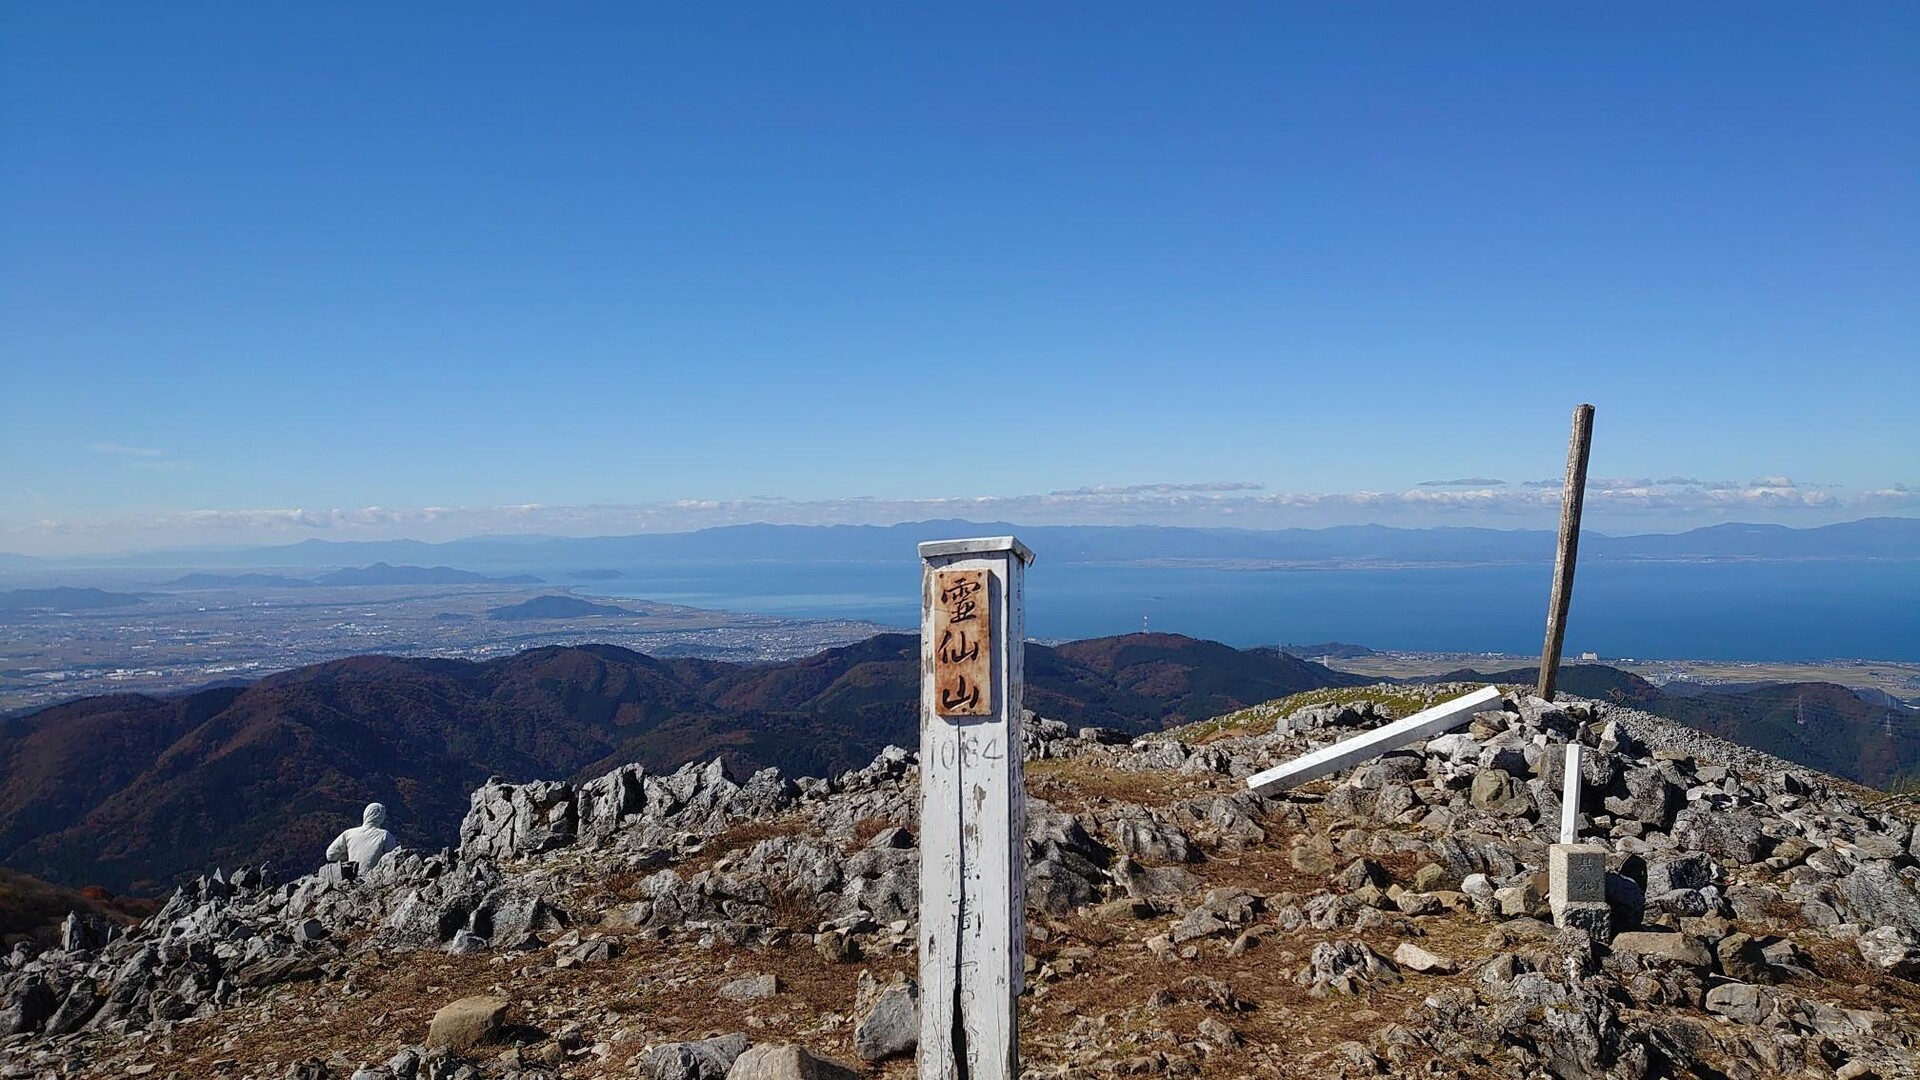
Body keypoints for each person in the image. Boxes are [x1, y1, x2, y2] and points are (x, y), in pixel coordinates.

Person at [325, 802, 399, 873]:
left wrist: (347, 856)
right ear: (381, 817)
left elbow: (330, 855)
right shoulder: (385, 835)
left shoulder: (348, 833)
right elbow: (393, 859)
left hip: (352, 877)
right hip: (374, 877)